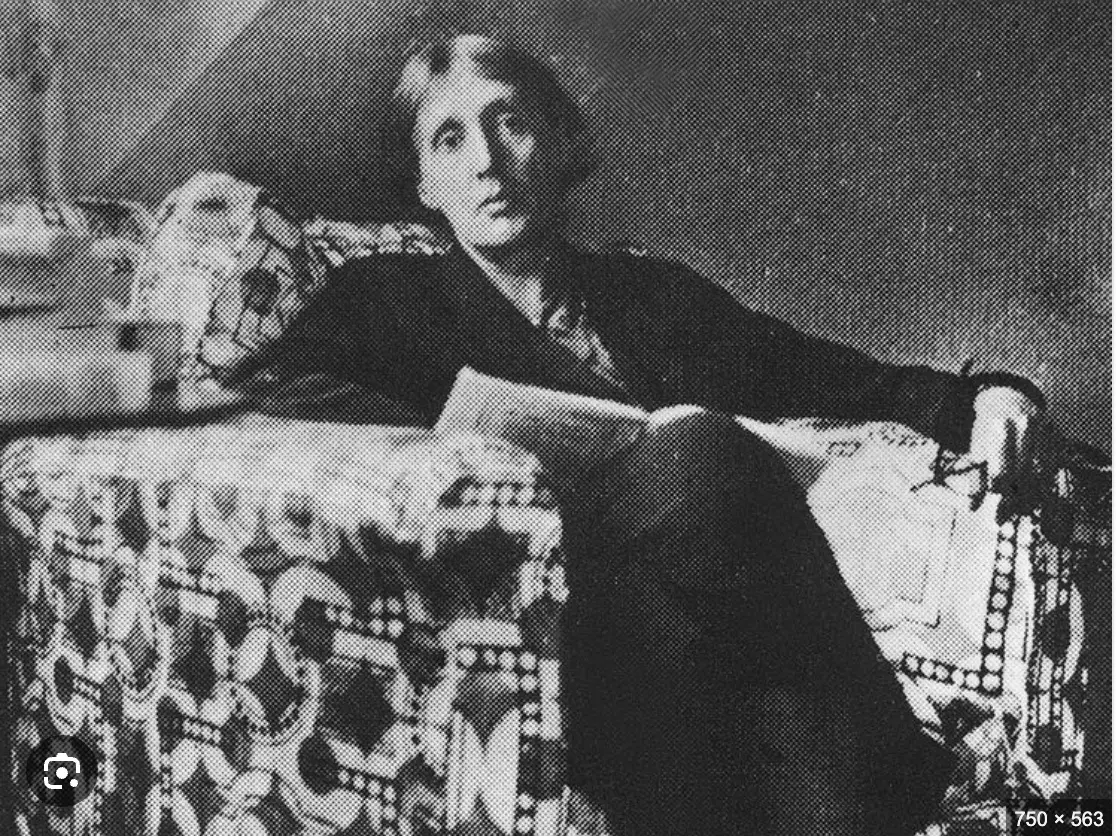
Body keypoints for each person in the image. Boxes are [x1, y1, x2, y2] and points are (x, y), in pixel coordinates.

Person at [233, 34, 1044, 836]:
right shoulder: (387, 297)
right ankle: (890, 793)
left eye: (509, 123)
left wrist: (980, 398)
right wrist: (462, 452)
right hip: (532, 610)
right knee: (702, 456)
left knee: (711, 495)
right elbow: (280, 391)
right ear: (424, 184)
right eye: (450, 139)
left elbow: (810, 370)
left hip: (675, 628)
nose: (486, 161)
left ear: (557, 141)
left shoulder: (647, 293)